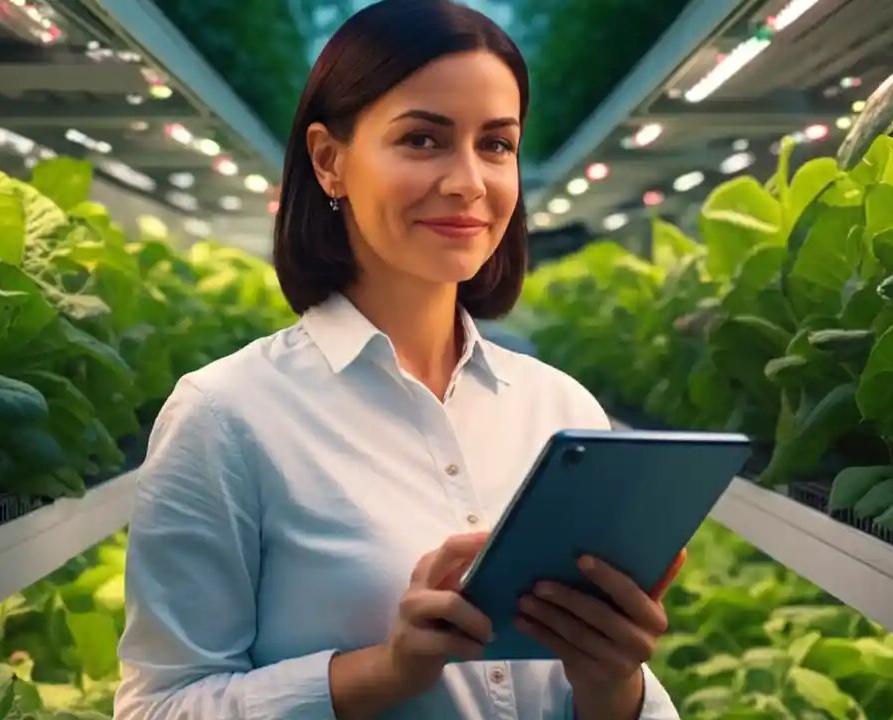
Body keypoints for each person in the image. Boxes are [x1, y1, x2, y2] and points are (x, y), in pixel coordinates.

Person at [113, 1, 683, 718]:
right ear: (330, 162)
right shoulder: (226, 416)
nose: (469, 181)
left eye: (497, 145)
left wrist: (614, 683)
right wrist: (384, 672)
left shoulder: (561, 409)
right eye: (422, 140)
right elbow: (158, 707)